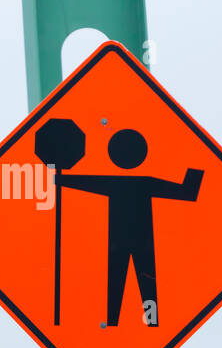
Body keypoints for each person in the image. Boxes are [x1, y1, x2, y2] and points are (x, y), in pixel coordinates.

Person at [58, 128, 203, 327]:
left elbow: (188, 192)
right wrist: (196, 164)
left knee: (126, 284)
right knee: (132, 284)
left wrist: (57, 175)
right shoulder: (144, 183)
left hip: (128, 244)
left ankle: (119, 323)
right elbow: (188, 191)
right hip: (134, 244)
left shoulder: (119, 182)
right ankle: (130, 323)